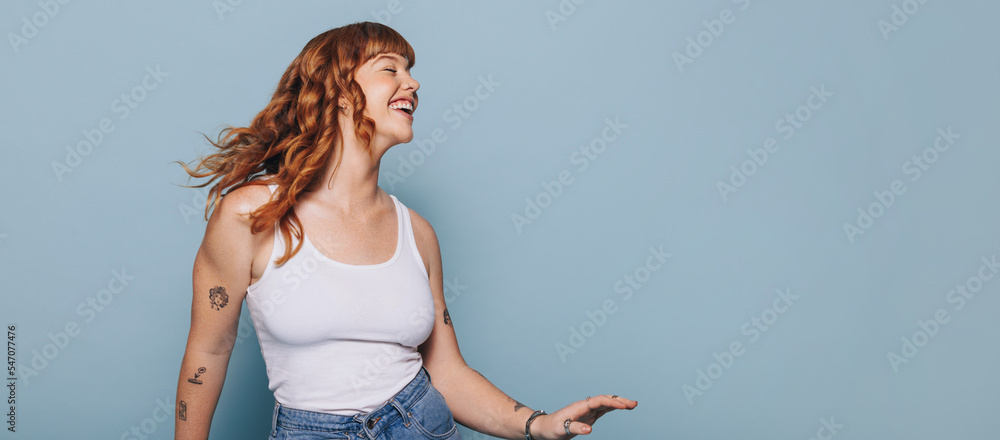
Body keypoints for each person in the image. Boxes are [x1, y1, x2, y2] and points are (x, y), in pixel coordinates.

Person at [173, 21, 637, 440]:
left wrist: (538, 424)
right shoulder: (253, 214)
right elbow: (208, 351)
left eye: (410, 71)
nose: (412, 83)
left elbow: (447, 373)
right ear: (336, 90)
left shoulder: (417, 233)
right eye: (389, 69)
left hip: (420, 424)